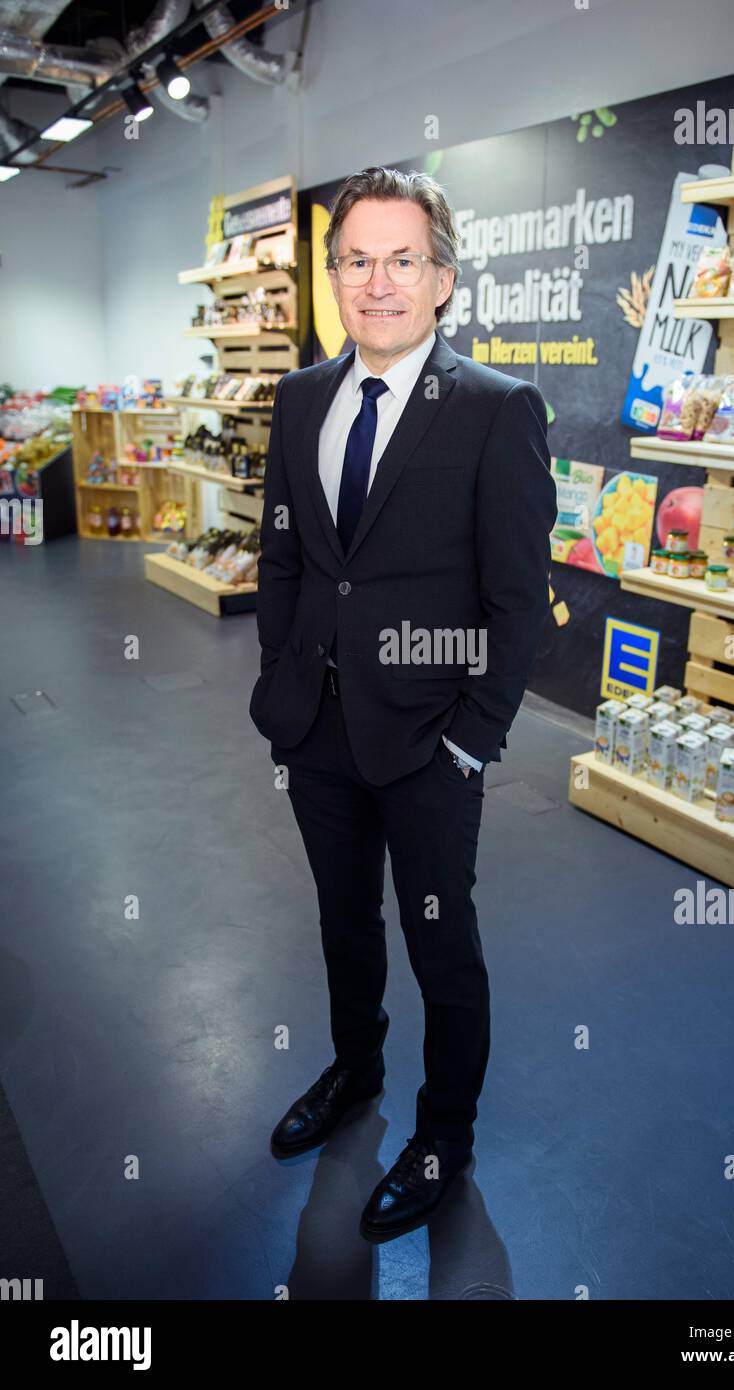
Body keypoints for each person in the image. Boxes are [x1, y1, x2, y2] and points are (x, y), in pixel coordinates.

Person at [249, 165, 557, 1243]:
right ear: (331, 275)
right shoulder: (297, 400)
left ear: (441, 279)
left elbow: (518, 597)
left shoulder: (493, 410)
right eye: (356, 260)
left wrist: (470, 743)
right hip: (316, 727)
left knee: (441, 943)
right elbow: (285, 557)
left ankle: (443, 1131)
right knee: (342, 923)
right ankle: (354, 1070)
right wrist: (277, 677)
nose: (377, 282)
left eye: (401, 259)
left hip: (429, 743)